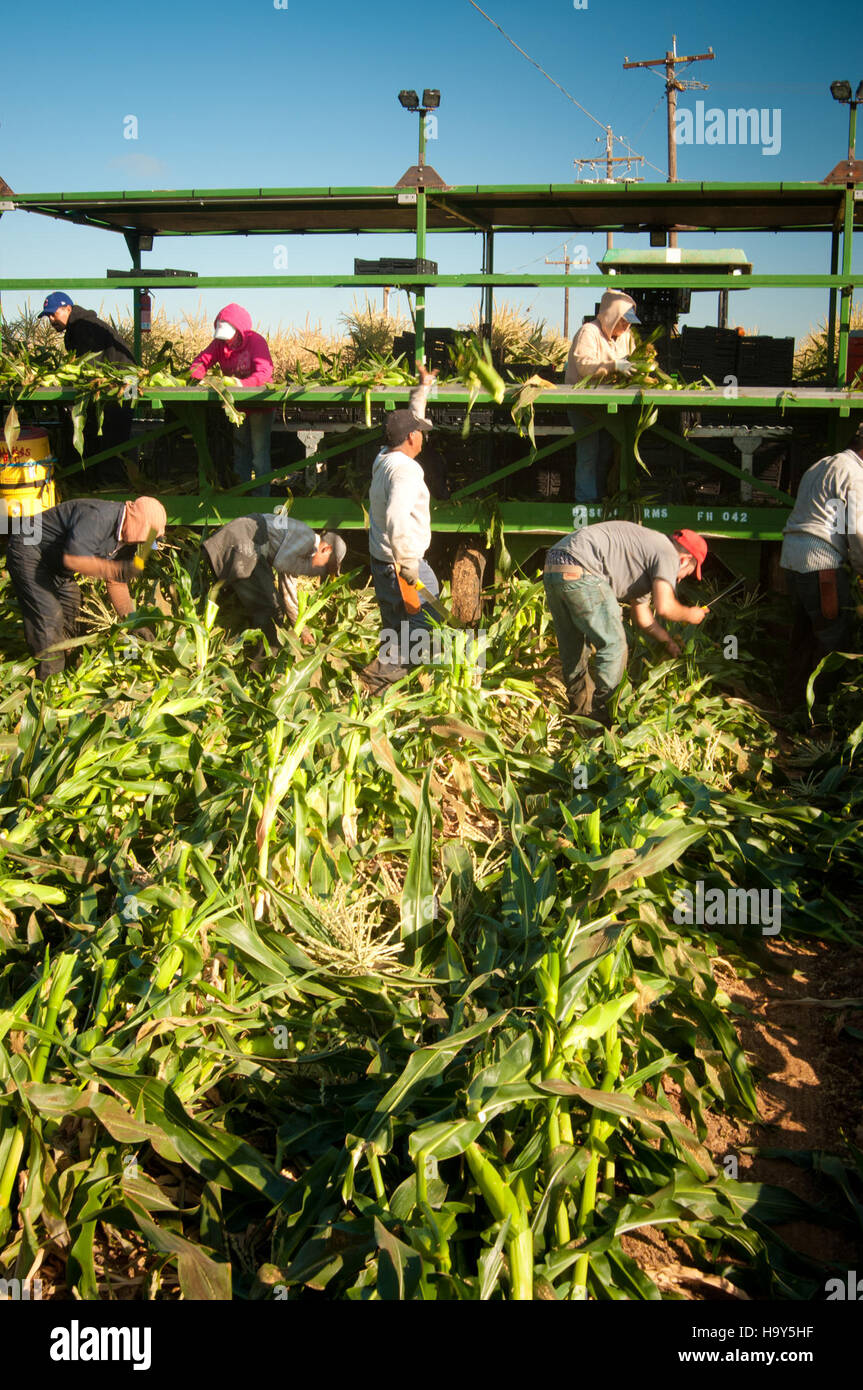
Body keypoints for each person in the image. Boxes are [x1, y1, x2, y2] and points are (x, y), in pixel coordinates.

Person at [543, 521, 709, 724]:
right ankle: (607, 716)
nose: (680, 580)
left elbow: (643, 617)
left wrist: (668, 642)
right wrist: (690, 615)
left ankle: (581, 717)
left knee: (573, 647)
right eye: (686, 574)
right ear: (684, 561)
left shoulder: (646, 555)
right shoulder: (668, 553)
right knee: (614, 644)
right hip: (583, 565)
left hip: (554, 566)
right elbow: (665, 607)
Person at [6, 496, 166, 679]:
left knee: (73, 609)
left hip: (56, 565)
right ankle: (50, 687)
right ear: (132, 518)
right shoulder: (98, 516)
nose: (142, 543)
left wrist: (133, 622)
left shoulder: (129, 541)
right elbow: (74, 560)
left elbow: (116, 581)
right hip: (29, 550)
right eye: (145, 537)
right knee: (48, 616)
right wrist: (116, 568)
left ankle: (64, 666)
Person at [363, 365, 440, 691]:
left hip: (382, 559)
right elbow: (396, 516)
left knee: (397, 624)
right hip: (400, 563)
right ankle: (382, 679)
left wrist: (422, 391)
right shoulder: (407, 471)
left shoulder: (384, 456)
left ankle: (385, 690)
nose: (423, 434)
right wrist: (408, 564)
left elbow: (408, 420)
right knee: (424, 620)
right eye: (419, 431)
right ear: (411, 438)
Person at [780, 421, 863, 708]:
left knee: (803, 635)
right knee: (833, 641)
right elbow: (857, 530)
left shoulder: (820, 465)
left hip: (792, 561)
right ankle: (818, 715)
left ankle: (789, 703)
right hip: (822, 565)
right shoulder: (853, 473)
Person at [201, 513, 345, 648]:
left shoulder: (298, 552)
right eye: (326, 567)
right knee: (271, 610)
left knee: (252, 606)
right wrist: (307, 567)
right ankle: (264, 666)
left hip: (241, 546)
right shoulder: (307, 538)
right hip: (243, 542)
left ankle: (234, 651)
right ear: (326, 549)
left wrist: (304, 631)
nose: (321, 572)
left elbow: (289, 594)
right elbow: (281, 563)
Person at [38, 291, 136, 487]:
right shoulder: (78, 327)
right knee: (107, 434)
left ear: (67, 309)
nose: (50, 319)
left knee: (111, 437)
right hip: (121, 383)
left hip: (125, 384)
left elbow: (90, 368)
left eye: (53, 314)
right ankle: (105, 481)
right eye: (47, 316)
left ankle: (112, 486)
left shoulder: (83, 328)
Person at [189, 305, 275, 497]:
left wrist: (242, 384)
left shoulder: (256, 342)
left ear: (240, 330)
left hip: (260, 405)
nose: (227, 340)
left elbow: (265, 372)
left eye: (230, 335)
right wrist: (200, 376)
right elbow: (198, 363)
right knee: (240, 454)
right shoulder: (219, 345)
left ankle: (262, 500)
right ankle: (241, 497)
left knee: (259, 456)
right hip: (237, 409)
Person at [564, 290, 639, 504]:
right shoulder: (589, 332)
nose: (627, 326)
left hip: (609, 404)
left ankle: (601, 495)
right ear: (611, 316)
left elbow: (634, 360)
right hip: (584, 403)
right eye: (624, 321)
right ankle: (586, 501)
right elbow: (584, 365)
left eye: (630, 322)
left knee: (606, 450)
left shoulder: (626, 337)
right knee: (589, 450)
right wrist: (613, 366)